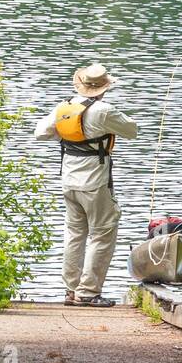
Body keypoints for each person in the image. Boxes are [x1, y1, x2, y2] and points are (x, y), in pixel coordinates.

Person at [34, 63, 138, 307]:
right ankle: (88, 292)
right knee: (103, 232)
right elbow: (132, 131)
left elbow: (40, 133)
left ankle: (71, 289)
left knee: (74, 234)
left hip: (68, 180)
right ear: (104, 87)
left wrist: (67, 133)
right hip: (94, 182)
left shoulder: (64, 108)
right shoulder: (104, 110)